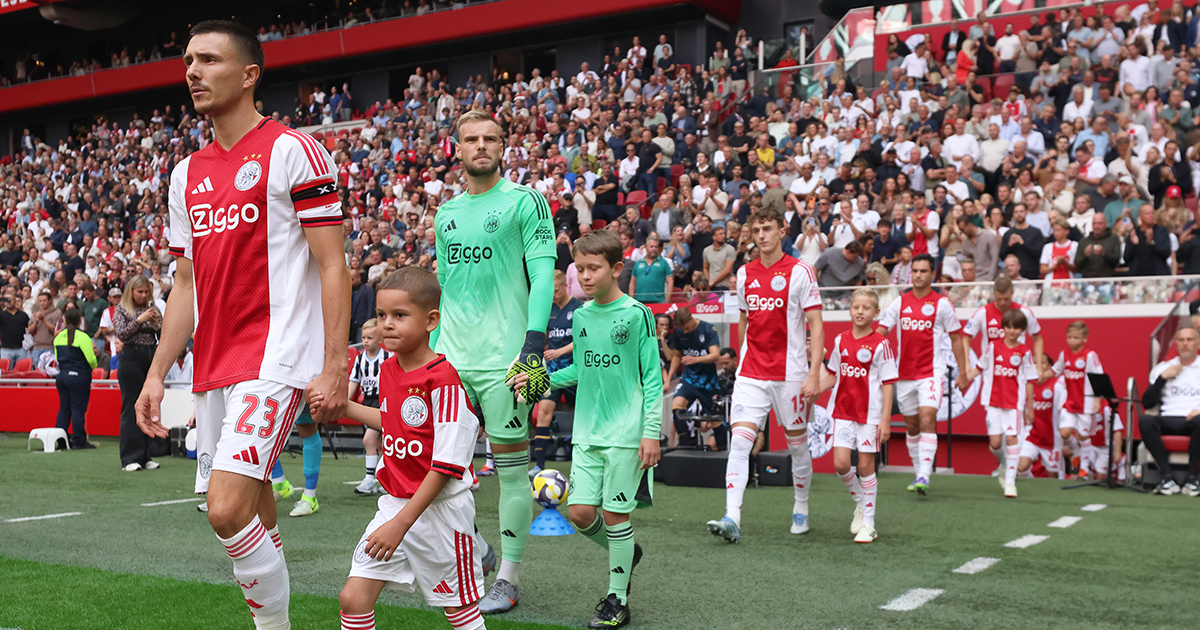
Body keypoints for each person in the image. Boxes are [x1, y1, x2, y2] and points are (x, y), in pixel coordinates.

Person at [135, 21, 351, 630]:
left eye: (209, 59)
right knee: (254, 509)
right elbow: (185, 284)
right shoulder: (185, 174)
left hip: (277, 356)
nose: (193, 72)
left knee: (225, 510)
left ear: (250, 74)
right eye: (188, 61)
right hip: (214, 365)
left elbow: (333, 264)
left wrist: (334, 365)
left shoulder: (293, 150)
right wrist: (157, 373)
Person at [311, 268, 488, 630]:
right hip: (393, 504)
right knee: (353, 599)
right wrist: (341, 407)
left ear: (431, 320)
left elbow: (446, 466)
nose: (386, 324)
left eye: (399, 315)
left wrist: (401, 525)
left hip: (441, 513)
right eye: (381, 315)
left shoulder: (443, 380)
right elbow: (393, 421)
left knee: (460, 613)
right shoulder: (390, 369)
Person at [433, 109, 557, 613]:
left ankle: (507, 576)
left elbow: (544, 275)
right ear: (457, 149)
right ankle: (479, 548)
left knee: (509, 470)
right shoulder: (446, 213)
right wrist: (433, 347)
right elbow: (445, 286)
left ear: (503, 147)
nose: (480, 145)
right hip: (449, 357)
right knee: (432, 465)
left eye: (489, 138)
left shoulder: (525, 202)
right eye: (471, 139)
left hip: (504, 359)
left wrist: (532, 345)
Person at [518, 230, 660, 629]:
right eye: (579, 268)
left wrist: (651, 432)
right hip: (587, 432)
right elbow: (580, 369)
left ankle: (618, 600)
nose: (585, 276)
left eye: (593, 268)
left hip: (626, 434)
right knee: (580, 513)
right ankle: (626, 553)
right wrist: (542, 380)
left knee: (615, 516)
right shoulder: (580, 315)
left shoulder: (637, 314)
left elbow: (652, 378)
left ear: (616, 269)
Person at [706, 208, 825, 543]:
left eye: (768, 228)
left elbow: (816, 325)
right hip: (752, 373)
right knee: (740, 442)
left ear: (782, 231)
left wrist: (814, 374)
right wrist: (741, 358)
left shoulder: (801, 271)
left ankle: (801, 506)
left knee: (797, 446)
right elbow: (744, 320)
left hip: (791, 374)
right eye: (756, 230)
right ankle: (732, 516)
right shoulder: (745, 273)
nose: (761, 235)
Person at [876, 254, 967, 495]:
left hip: (932, 373)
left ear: (932, 274)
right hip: (904, 375)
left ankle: (925, 475)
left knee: (927, 419)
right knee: (912, 426)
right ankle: (918, 473)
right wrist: (863, 349)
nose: (918, 275)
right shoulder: (899, 302)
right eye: (914, 270)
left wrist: (963, 372)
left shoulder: (942, 304)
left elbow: (956, 338)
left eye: (923, 271)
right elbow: (881, 331)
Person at [818, 288, 895, 543]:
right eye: (856, 307)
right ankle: (861, 501)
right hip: (843, 411)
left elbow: (888, 384)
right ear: (849, 310)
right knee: (841, 464)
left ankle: (869, 525)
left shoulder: (881, 344)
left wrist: (885, 420)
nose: (860, 311)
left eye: (866, 308)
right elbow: (833, 375)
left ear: (876, 312)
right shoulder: (840, 340)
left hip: (870, 415)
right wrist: (814, 389)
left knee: (864, 466)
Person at [963, 309, 1037, 498]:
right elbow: (980, 367)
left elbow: (1030, 380)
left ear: (1022, 330)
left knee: (1012, 439)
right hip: (993, 401)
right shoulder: (993, 346)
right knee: (995, 444)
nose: (1012, 331)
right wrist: (964, 379)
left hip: (1014, 404)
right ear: (1003, 328)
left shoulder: (1025, 352)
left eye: (1017, 328)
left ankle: (1010, 482)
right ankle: (1004, 463)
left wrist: (1030, 407)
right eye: (1009, 327)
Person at [1140, 327, 1200, 495]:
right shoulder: (1164, 367)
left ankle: (1192, 478)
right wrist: (1162, 378)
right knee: (1145, 421)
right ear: (1176, 344)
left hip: (1194, 419)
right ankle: (1166, 477)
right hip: (1168, 418)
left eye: (1189, 340)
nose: (1185, 343)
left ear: (1198, 343)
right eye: (1181, 340)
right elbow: (1147, 403)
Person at [532, 271, 581, 476]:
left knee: (583, 416)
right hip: (552, 372)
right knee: (543, 413)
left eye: (556, 290)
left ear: (565, 287)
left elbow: (583, 340)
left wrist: (560, 351)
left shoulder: (578, 309)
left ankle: (581, 462)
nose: (552, 294)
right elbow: (542, 338)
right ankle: (538, 466)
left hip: (575, 372)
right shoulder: (548, 310)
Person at [116, 275, 162, 472]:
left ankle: (145, 455)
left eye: (146, 292)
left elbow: (163, 334)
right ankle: (130, 457)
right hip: (131, 357)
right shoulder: (121, 309)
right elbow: (121, 333)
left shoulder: (153, 309)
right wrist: (139, 320)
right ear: (131, 291)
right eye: (140, 292)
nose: (143, 295)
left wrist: (156, 324)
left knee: (149, 406)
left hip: (151, 356)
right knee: (131, 406)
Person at [1051, 321, 1104, 473]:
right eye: (1069, 337)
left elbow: (1098, 378)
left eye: (1076, 338)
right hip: (1069, 402)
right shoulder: (1064, 354)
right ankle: (1077, 452)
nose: (1072, 341)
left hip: (1085, 403)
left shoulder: (1090, 355)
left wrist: (1098, 400)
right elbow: (1055, 370)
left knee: (1083, 436)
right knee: (1064, 433)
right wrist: (1040, 376)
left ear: (1084, 338)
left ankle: (1084, 468)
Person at [666, 307, 721, 446]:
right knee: (677, 406)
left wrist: (696, 359)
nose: (685, 331)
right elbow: (677, 356)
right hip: (689, 379)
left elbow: (715, 355)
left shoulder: (708, 329)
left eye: (686, 328)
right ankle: (686, 445)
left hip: (708, 382)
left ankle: (722, 447)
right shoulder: (679, 332)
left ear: (691, 318)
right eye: (682, 329)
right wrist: (668, 380)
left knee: (717, 421)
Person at [350, 319, 393, 495]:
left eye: (370, 338)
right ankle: (389, 480)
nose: (365, 341)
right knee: (379, 443)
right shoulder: (360, 359)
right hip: (367, 401)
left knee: (368, 440)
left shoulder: (388, 358)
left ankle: (369, 480)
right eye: (363, 338)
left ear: (380, 339)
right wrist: (344, 401)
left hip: (382, 402)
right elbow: (353, 381)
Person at [268, 404, 325, 517]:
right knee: (264, 428)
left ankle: (310, 497)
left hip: (303, 392)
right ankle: (279, 483)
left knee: (306, 427)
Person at [54, 307, 97, 450]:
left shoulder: (58, 337)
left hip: (62, 376)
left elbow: (57, 358)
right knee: (78, 409)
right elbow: (91, 360)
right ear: (80, 321)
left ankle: (61, 441)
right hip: (79, 376)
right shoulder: (83, 337)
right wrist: (93, 366)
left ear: (64, 321)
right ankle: (79, 441)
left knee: (64, 409)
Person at [1019, 354, 1065, 480]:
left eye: (1042, 363)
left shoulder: (1058, 385)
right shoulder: (1025, 385)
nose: (1037, 366)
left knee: (1052, 478)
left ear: (1050, 366)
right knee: (1021, 467)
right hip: (1032, 436)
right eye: (1034, 363)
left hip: (1052, 441)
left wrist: (1068, 439)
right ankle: (1030, 487)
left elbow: (1066, 413)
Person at [630, 235, 674, 303]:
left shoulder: (664, 263)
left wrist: (667, 301)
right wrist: (631, 300)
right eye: (651, 246)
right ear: (646, 247)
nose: (654, 249)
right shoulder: (638, 263)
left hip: (659, 301)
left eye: (656, 247)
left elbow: (670, 282)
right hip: (639, 301)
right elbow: (632, 283)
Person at [0, 292, 30, 364]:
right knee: (6, 370)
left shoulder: (23, 315)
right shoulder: (1, 315)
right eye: (6, 300)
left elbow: (29, 329)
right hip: (5, 349)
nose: (9, 302)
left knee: (22, 370)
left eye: (10, 299)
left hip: (21, 348)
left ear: (15, 301)